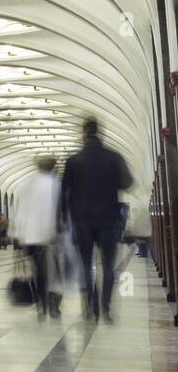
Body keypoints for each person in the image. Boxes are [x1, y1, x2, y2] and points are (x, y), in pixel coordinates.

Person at [60, 118, 132, 322]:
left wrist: (64, 218)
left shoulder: (73, 161)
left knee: (85, 264)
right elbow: (127, 182)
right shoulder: (113, 156)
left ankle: (89, 305)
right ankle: (106, 307)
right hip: (108, 219)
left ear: (83, 133)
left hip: (81, 219)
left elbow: (64, 191)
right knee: (108, 266)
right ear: (99, 132)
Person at [11, 156, 62, 319]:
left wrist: (17, 234)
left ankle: (41, 303)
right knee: (54, 271)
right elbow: (63, 212)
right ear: (53, 167)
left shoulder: (28, 185)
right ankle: (54, 304)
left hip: (32, 237)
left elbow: (20, 211)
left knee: (38, 271)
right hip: (52, 236)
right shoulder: (58, 185)